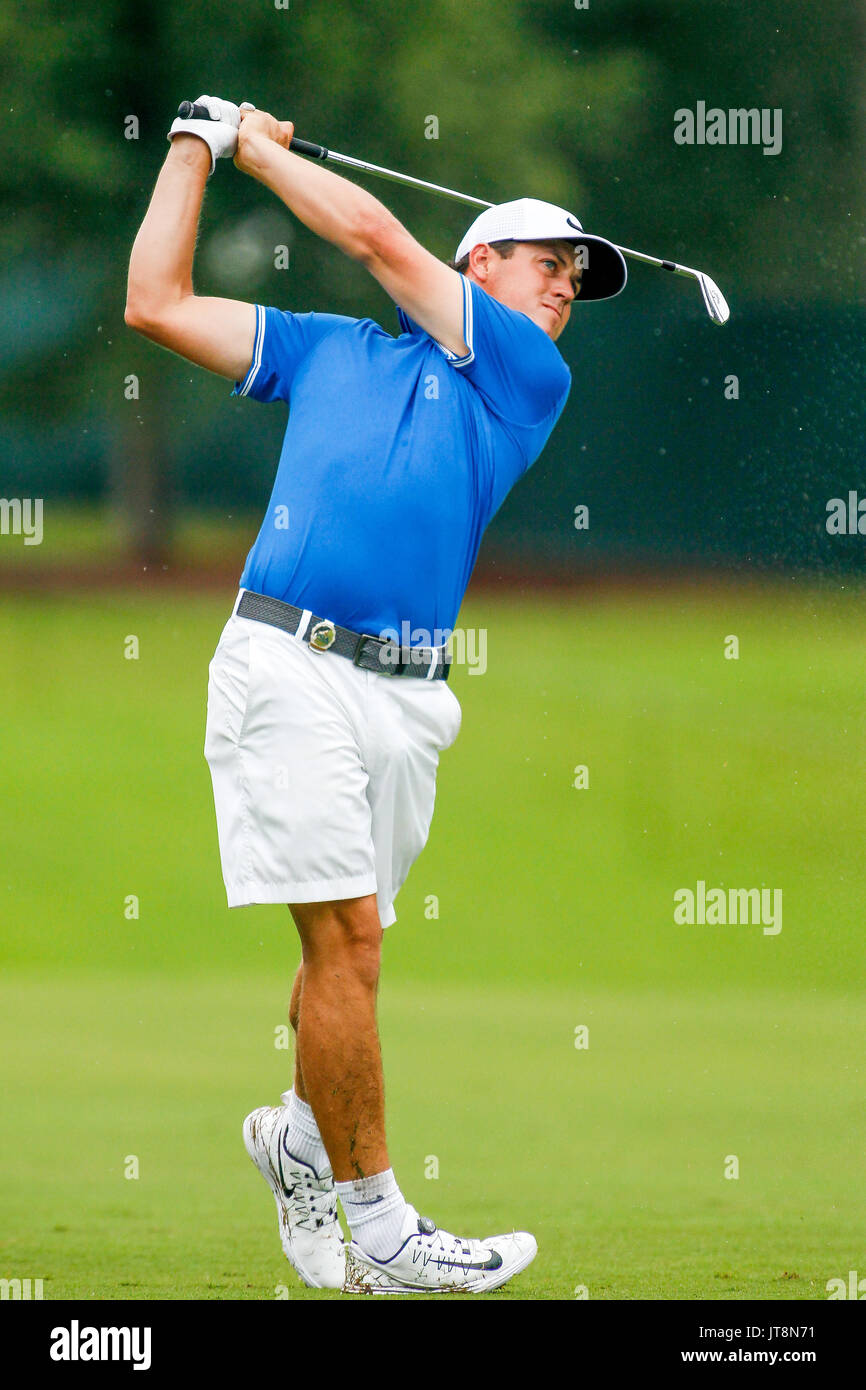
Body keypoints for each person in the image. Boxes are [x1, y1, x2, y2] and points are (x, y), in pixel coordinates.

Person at [125, 95, 626, 1295]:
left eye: (575, 276)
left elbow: (374, 243)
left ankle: (296, 1139)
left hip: (409, 704)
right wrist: (196, 147)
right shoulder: (325, 349)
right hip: (285, 661)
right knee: (344, 942)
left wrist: (250, 145)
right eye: (547, 263)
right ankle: (386, 1233)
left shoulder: (526, 375)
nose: (563, 287)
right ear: (482, 260)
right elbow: (156, 300)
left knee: (344, 956)